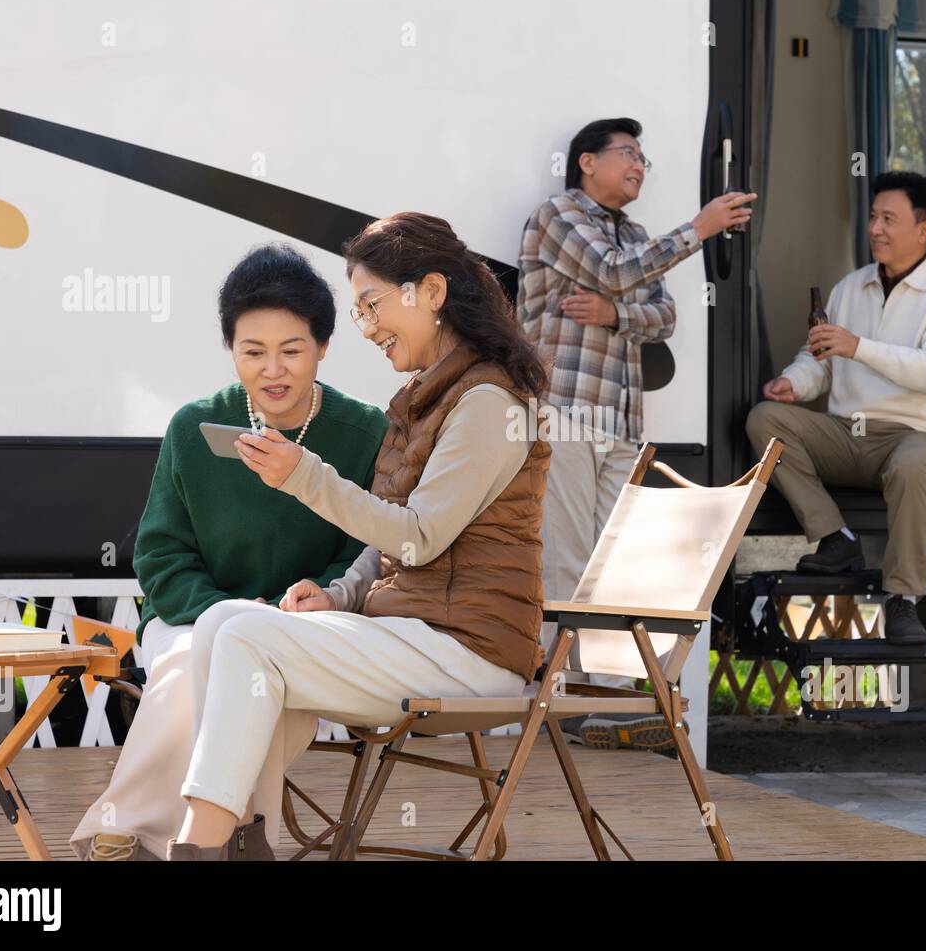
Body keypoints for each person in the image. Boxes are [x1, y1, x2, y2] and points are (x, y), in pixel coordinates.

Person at [163, 212, 551, 859]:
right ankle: (243, 840)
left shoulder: (487, 402)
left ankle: (199, 847)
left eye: (372, 306)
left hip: (471, 652)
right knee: (222, 620)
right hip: (415, 632)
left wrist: (304, 475)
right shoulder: (425, 399)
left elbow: (420, 536)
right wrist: (339, 595)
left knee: (249, 637)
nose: (366, 327)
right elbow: (392, 533)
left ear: (430, 292)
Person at [69, 243, 388, 860]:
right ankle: (239, 839)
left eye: (292, 350)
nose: (274, 370)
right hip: (190, 621)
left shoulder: (363, 431)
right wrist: (228, 610)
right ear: (230, 350)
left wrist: (312, 599)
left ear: (323, 347)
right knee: (198, 665)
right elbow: (161, 557)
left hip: (306, 629)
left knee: (259, 679)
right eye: (253, 352)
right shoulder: (194, 427)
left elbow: (365, 547)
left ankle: (127, 828)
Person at [516, 116, 755, 749]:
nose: (640, 166)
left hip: (619, 418)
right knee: (566, 556)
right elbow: (616, 272)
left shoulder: (639, 236)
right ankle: (560, 701)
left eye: (644, 158)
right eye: (628, 154)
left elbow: (664, 315)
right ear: (587, 162)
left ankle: (592, 699)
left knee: (607, 563)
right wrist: (698, 231)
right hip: (562, 408)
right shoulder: (557, 215)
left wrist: (614, 312)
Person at [745, 172, 926, 644]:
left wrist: (859, 348)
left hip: (917, 435)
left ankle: (903, 600)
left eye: (889, 219)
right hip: (848, 433)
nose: (875, 229)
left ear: (923, 230)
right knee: (764, 420)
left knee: (912, 466)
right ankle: (836, 539)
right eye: (873, 217)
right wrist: (795, 380)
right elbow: (821, 358)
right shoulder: (851, 286)